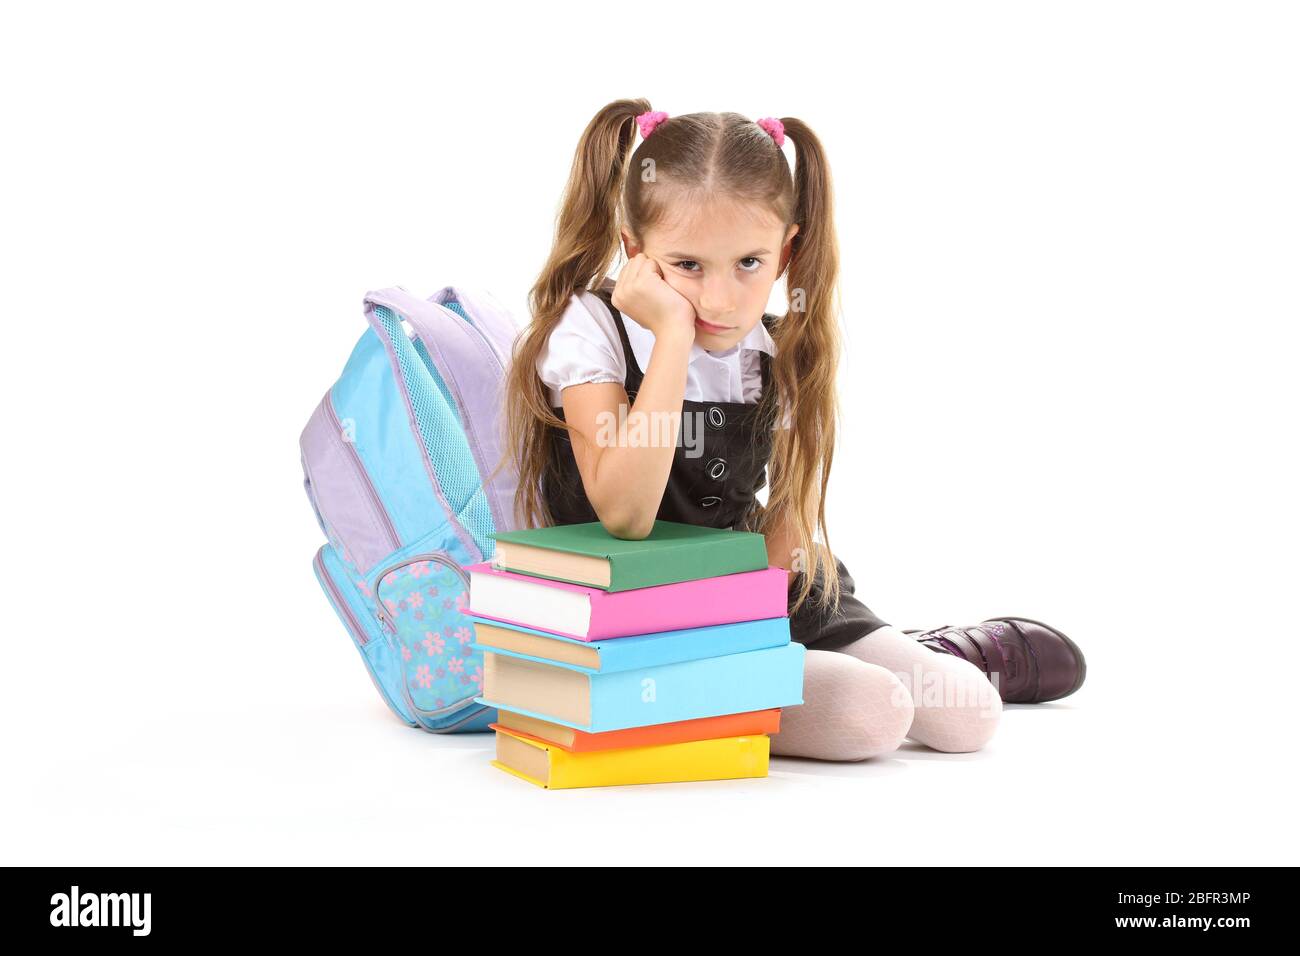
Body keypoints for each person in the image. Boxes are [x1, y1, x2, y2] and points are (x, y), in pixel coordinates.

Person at [502, 101, 1085, 761]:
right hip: (637, 620)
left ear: (787, 251)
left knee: (969, 715)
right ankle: (853, 681)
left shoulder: (776, 351)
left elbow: (783, 537)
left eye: (748, 263)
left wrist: (766, 634)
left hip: (757, 595)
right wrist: (671, 336)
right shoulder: (591, 329)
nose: (719, 300)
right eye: (687, 265)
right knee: (872, 717)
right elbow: (626, 513)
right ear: (636, 253)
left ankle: (926, 649)